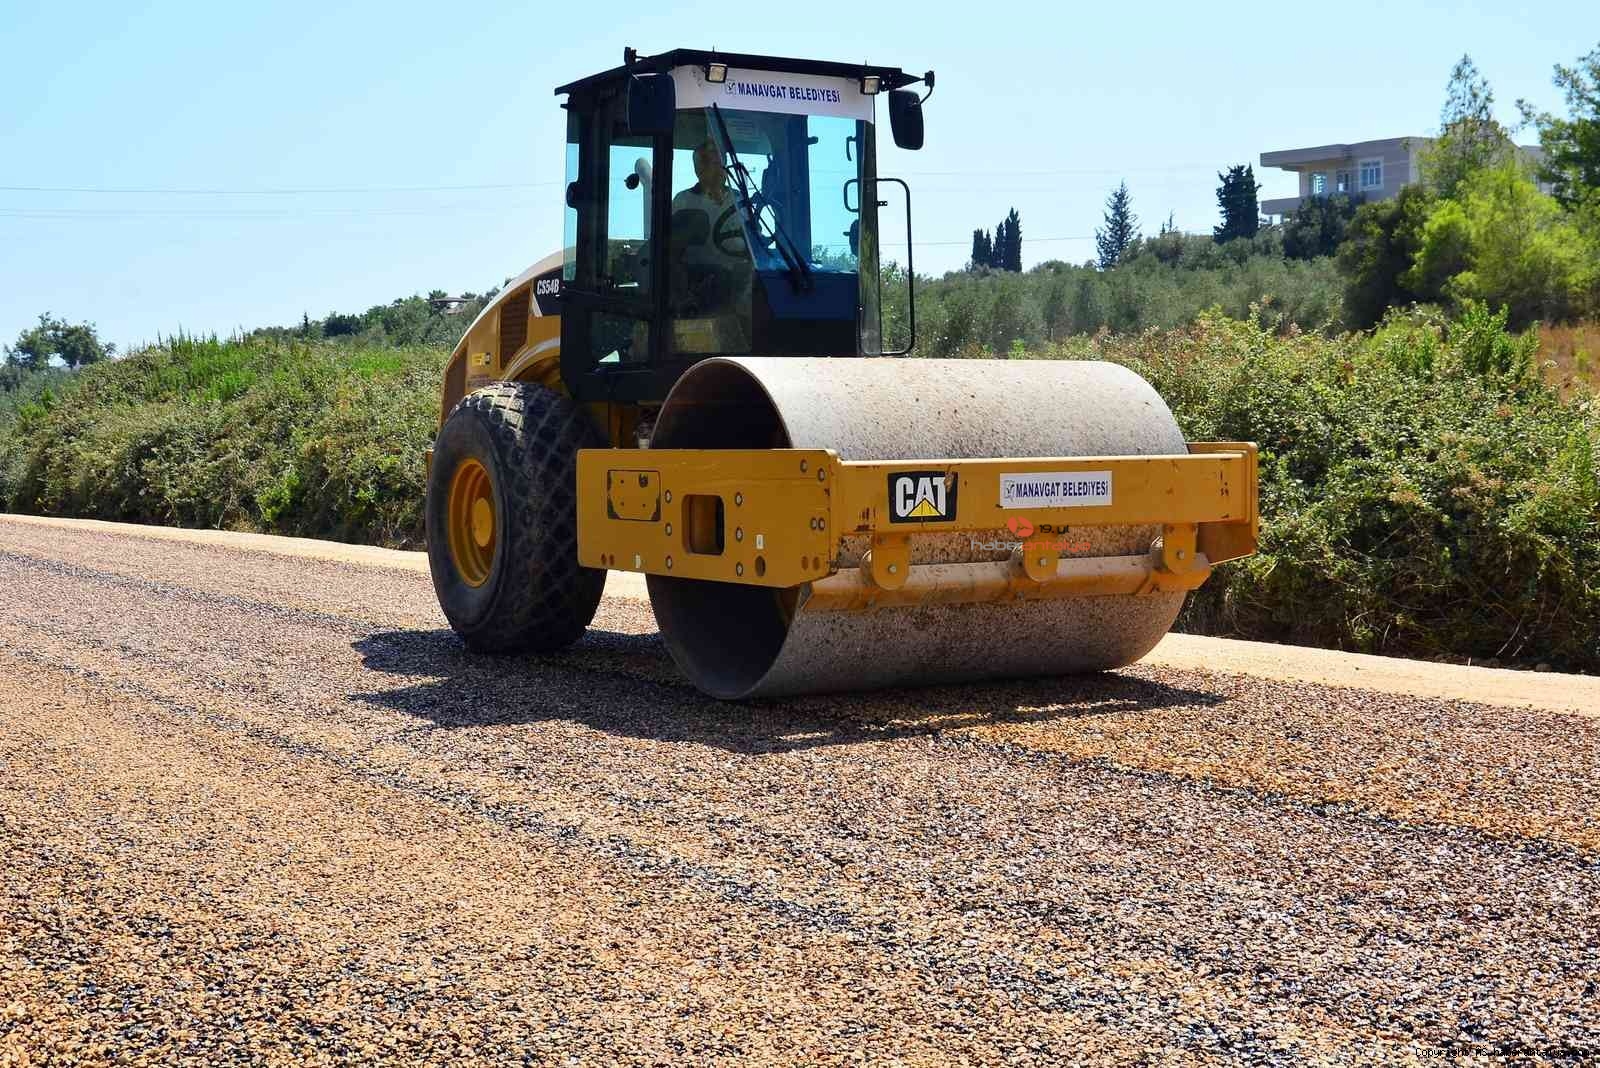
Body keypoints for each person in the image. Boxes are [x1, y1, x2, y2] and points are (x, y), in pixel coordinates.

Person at [670, 139, 752, 335]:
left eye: (719, 162)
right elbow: (671, 253)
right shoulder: (683, 201)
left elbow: (754, 242)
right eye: (709, 163)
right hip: (699, 280)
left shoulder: (740, 199)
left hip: (739, 279)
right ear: (698, 170)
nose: (716, 168)